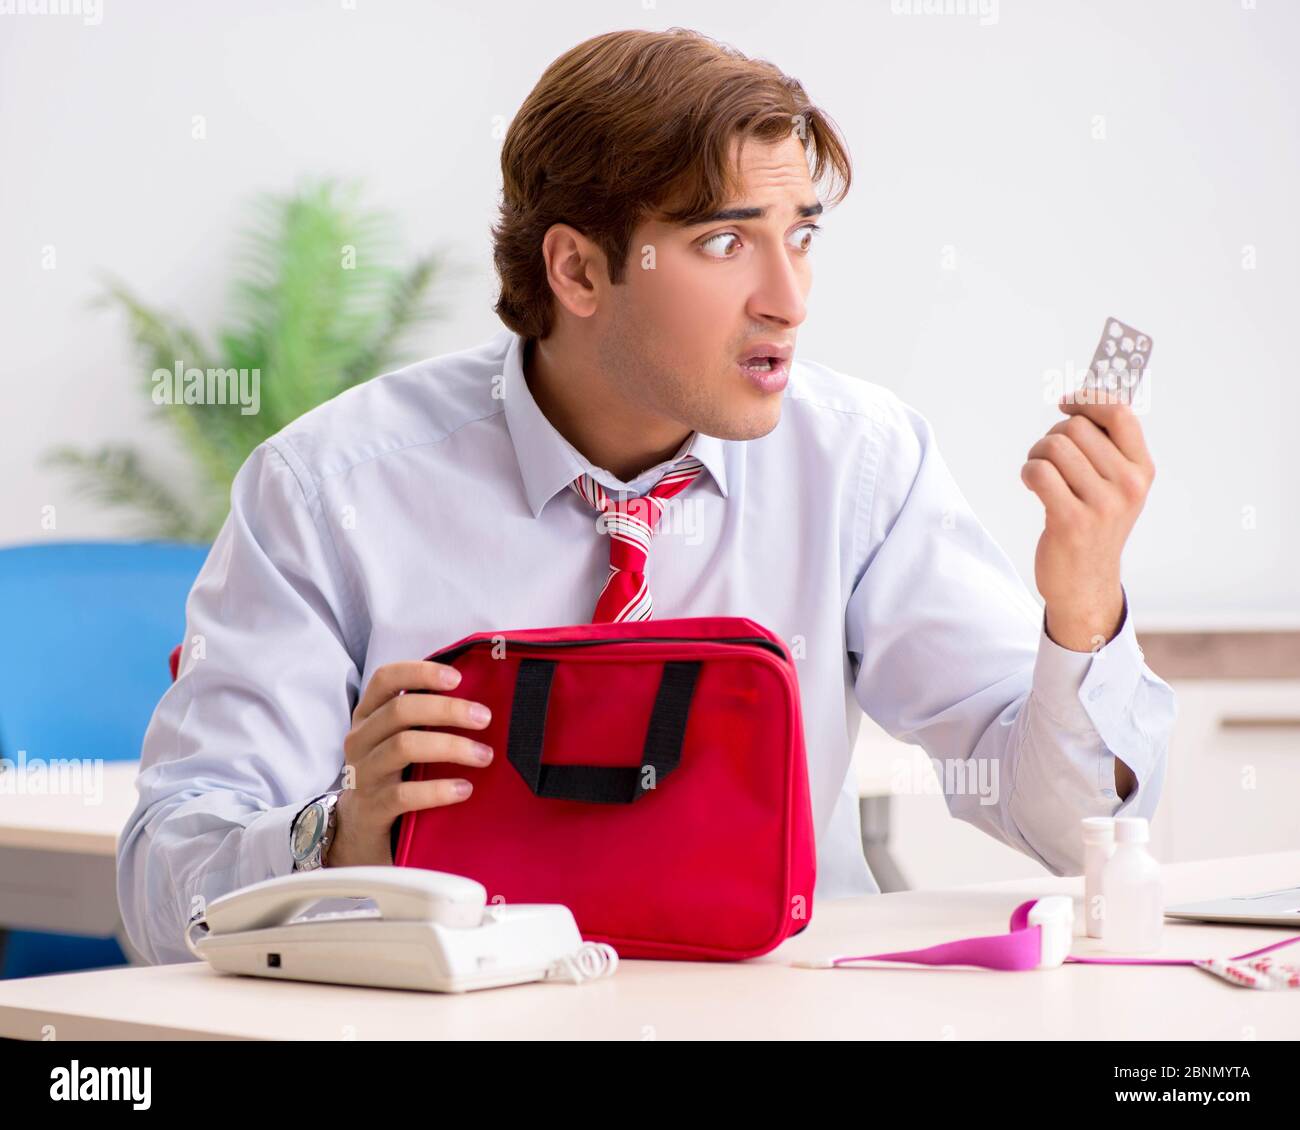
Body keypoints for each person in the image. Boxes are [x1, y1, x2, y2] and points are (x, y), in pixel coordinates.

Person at [118, 28, 1175, 965]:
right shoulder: (325, 490)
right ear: (577, 273)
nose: (790, 299)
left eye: (801, 234)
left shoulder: (860, 463)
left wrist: (1081, 606)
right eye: (725, 242)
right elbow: (163, 892)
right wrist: (342, 835)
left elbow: (1064, 825)